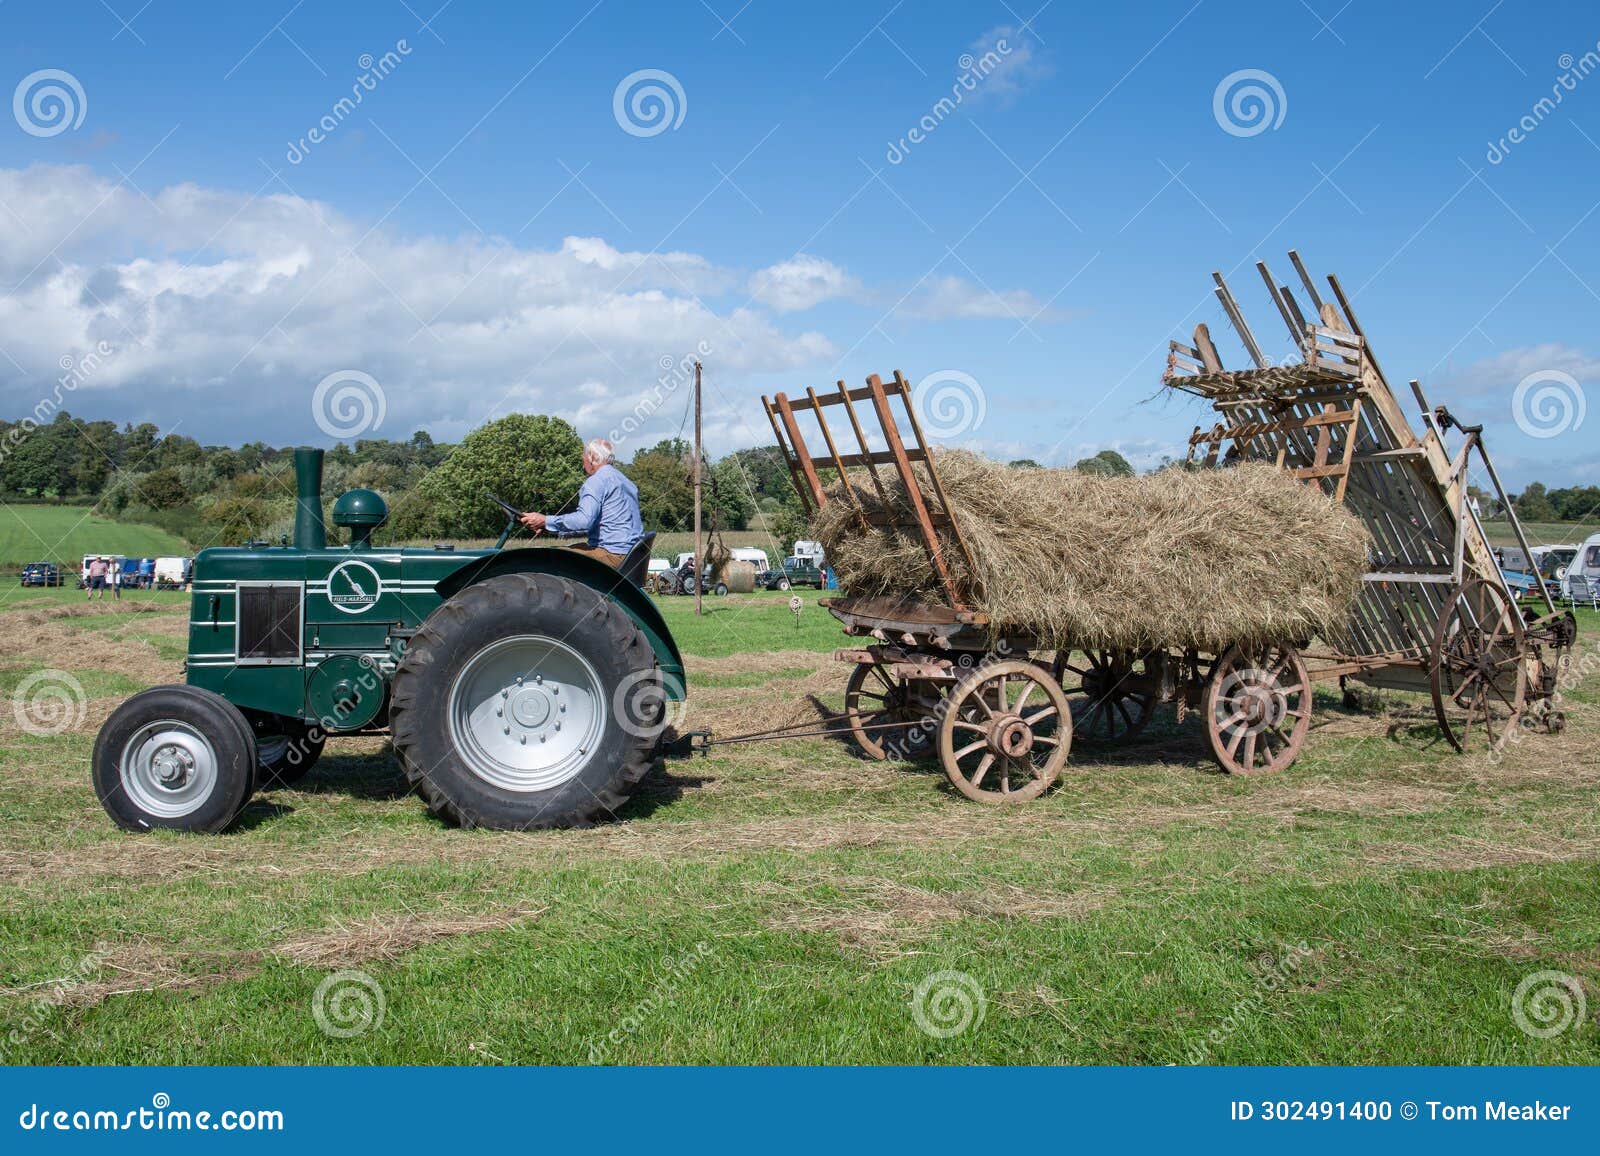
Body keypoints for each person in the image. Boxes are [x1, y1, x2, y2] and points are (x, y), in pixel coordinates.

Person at [519, 438, 642, 569]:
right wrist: (549, 528)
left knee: (542, 558)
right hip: (632, 557)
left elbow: (584, 521)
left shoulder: (596, 481)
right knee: (565, 550)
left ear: (592, 457)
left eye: (583, 459)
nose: (583, 466)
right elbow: (593, 525)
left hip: (612, 555)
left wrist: (544, 520)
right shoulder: (626, 481)